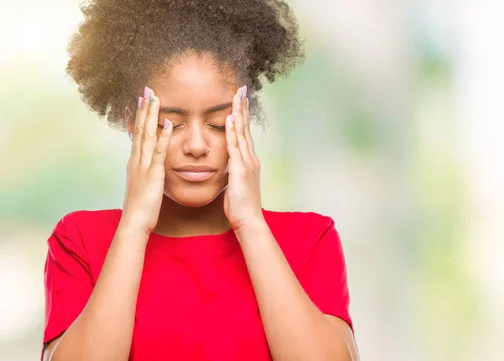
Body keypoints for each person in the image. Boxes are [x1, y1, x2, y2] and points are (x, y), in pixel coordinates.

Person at [41, 0, 358, 360]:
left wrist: (250, 223)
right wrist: (134, 224)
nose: (195, 145)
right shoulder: (80, 240)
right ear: (134, 123)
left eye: (219, 123)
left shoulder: (309, 241)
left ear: (244, 120)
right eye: (170, 123)